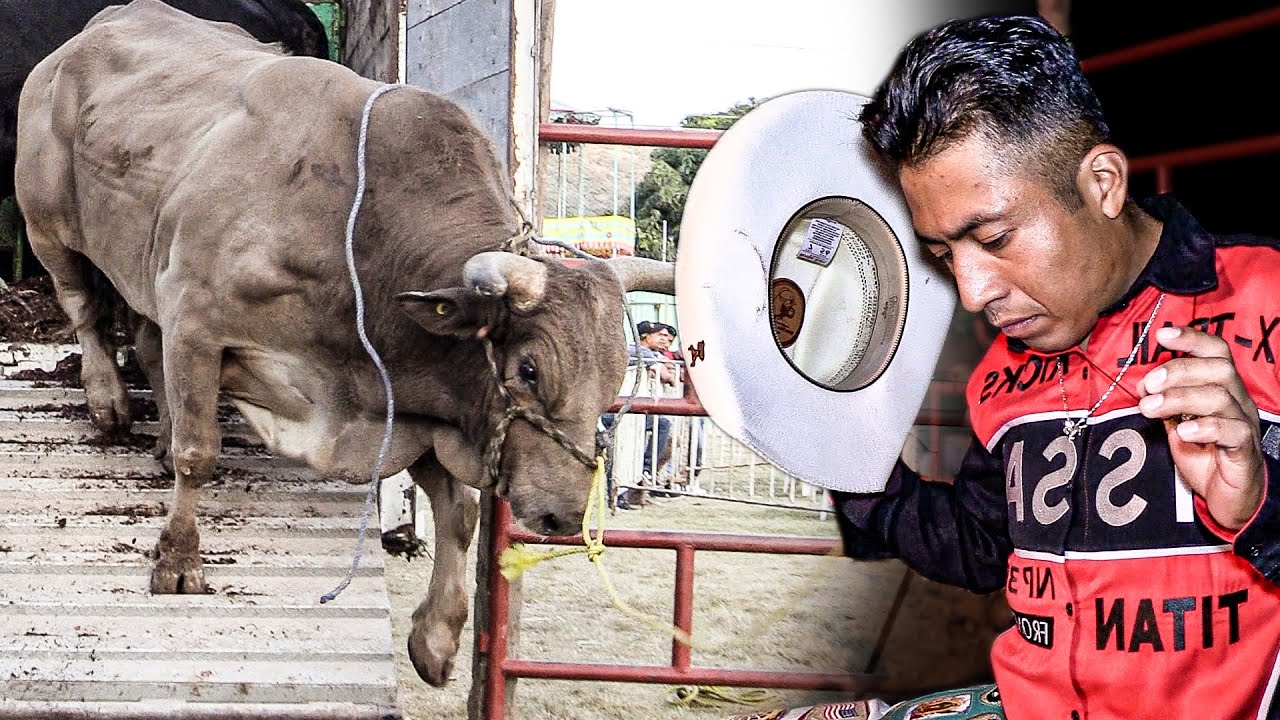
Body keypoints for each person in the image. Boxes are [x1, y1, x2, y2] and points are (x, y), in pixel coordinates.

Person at [829, 14, 1280, 720]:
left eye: (995, 237)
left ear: (1101, 183)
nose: (974, 292)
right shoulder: (1002, 370)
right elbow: (983, 548)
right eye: (946, 255)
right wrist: (844, 457)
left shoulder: (1267, 295)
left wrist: (1260, 501)